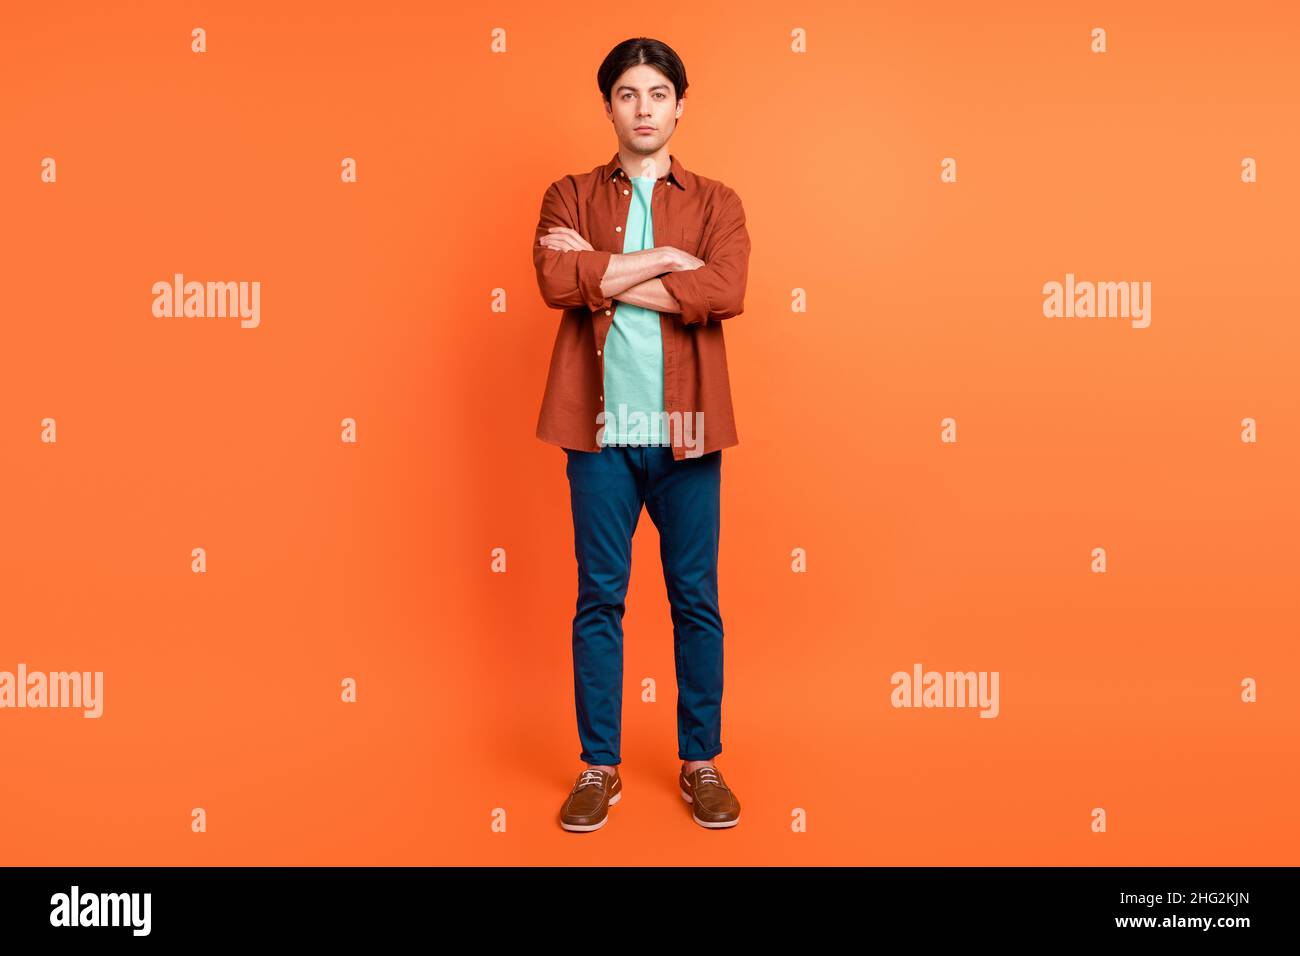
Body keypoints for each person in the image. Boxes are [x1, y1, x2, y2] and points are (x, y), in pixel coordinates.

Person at [531, 37, 751, 831]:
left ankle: (702, 762)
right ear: (610, 107)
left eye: (658, 93)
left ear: (680, 104)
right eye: (628, 94)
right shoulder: (568, 193)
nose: (644, 107)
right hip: (597, 432)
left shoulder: (719, 202)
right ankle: (600, 767)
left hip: (688, 430)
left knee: (695, 601)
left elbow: (725, 291)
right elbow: (554, 279)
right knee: (600, 599)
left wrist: (602, 270)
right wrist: (659, 257)